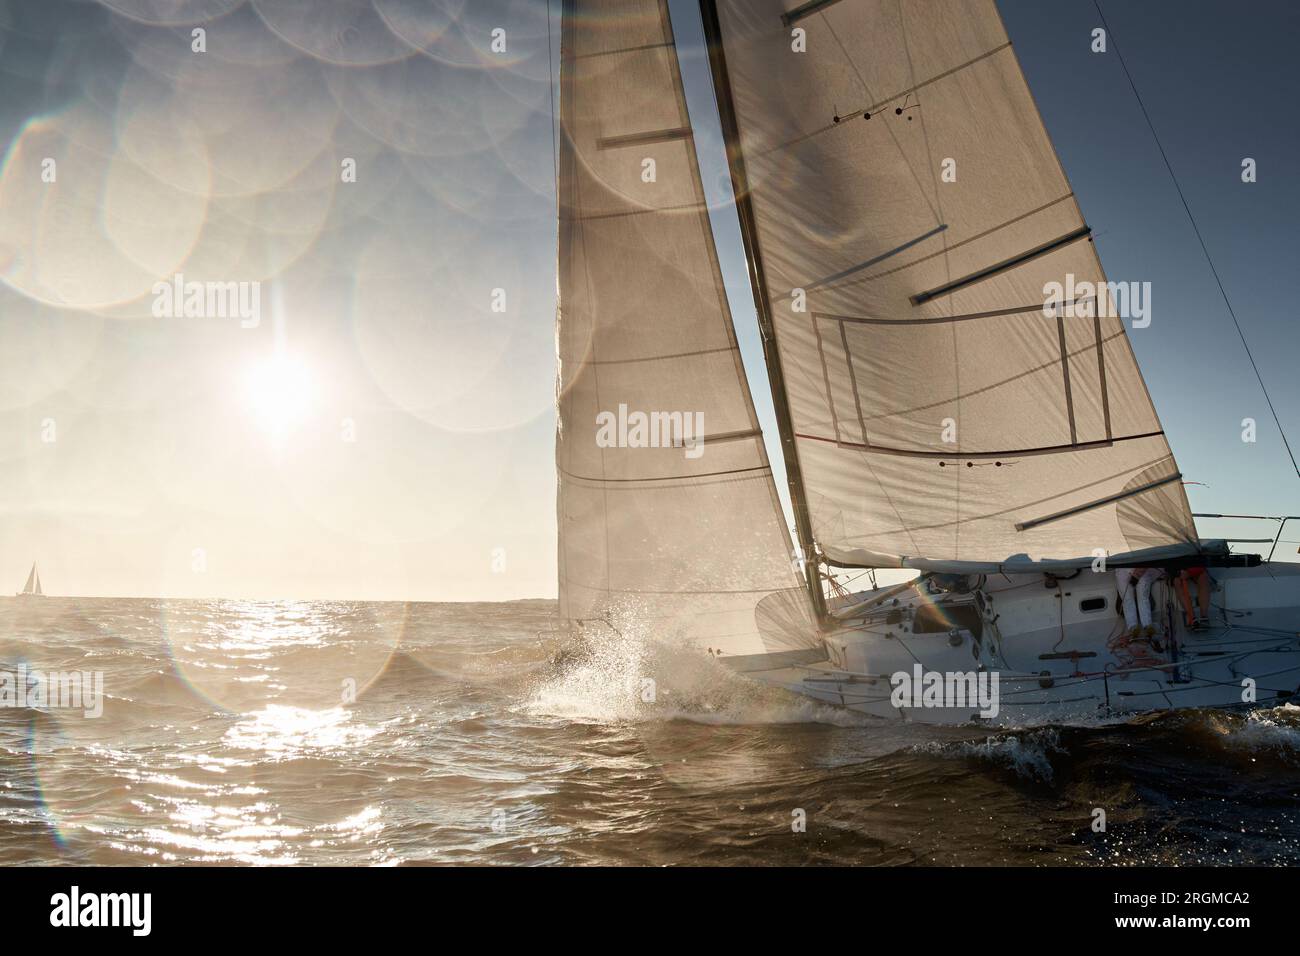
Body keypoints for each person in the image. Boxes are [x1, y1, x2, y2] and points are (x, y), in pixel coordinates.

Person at [1115, 567, 1163, 639]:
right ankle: (1133, 626)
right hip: (1121, 569)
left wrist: (1138, 572)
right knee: (1127, 599)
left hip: (1142, 567)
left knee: (1142, 597)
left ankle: (1147, 625)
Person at [1177, 565, 1212, 629]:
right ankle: (1192, 618)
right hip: (1176, 568)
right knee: (1177, 581)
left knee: (1203, 578)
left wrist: (1190, 572)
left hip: (1194, 565)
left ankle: (1204, 617)